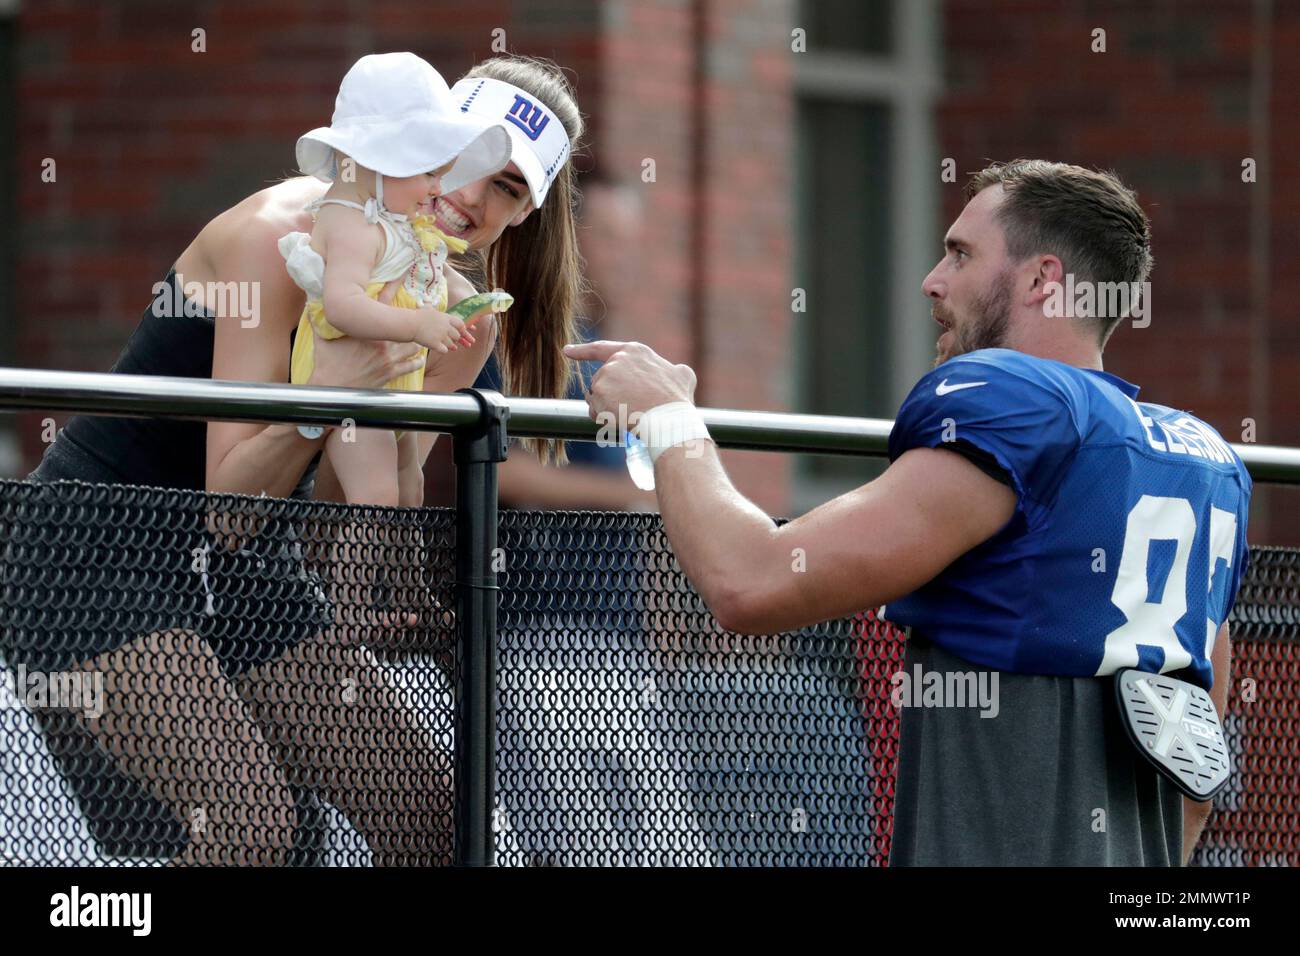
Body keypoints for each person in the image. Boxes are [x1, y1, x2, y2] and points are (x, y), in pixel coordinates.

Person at [566, 159, 1252, 866]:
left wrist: (672, 422)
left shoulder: (1014, 403)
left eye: (961, 254)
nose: (933, 279)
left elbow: (750, 582)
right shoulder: (1203, 459)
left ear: (1042, 279)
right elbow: (1195, 780)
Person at [7, 53, 586, 865]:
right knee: (251, 830)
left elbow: (355, 510)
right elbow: (229, 507)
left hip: (245, 572)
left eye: (508, 188)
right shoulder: (281, 238)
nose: (470, 195)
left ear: (522, 217)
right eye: (468, 158)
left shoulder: (451, 317)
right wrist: (327, 398)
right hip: (99, 547)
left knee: (434, 822)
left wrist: (370, 598)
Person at [279, 52, 513, 510]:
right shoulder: (348, 221)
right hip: (350, 379)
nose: (437, 189)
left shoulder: (391, 220)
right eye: (429, 173)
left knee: (409, 489)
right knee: (375, 496)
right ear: (380, 156)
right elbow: (343, 305)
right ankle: (352, 585)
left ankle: (394, 583)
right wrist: (419, 326)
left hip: (387, 380)